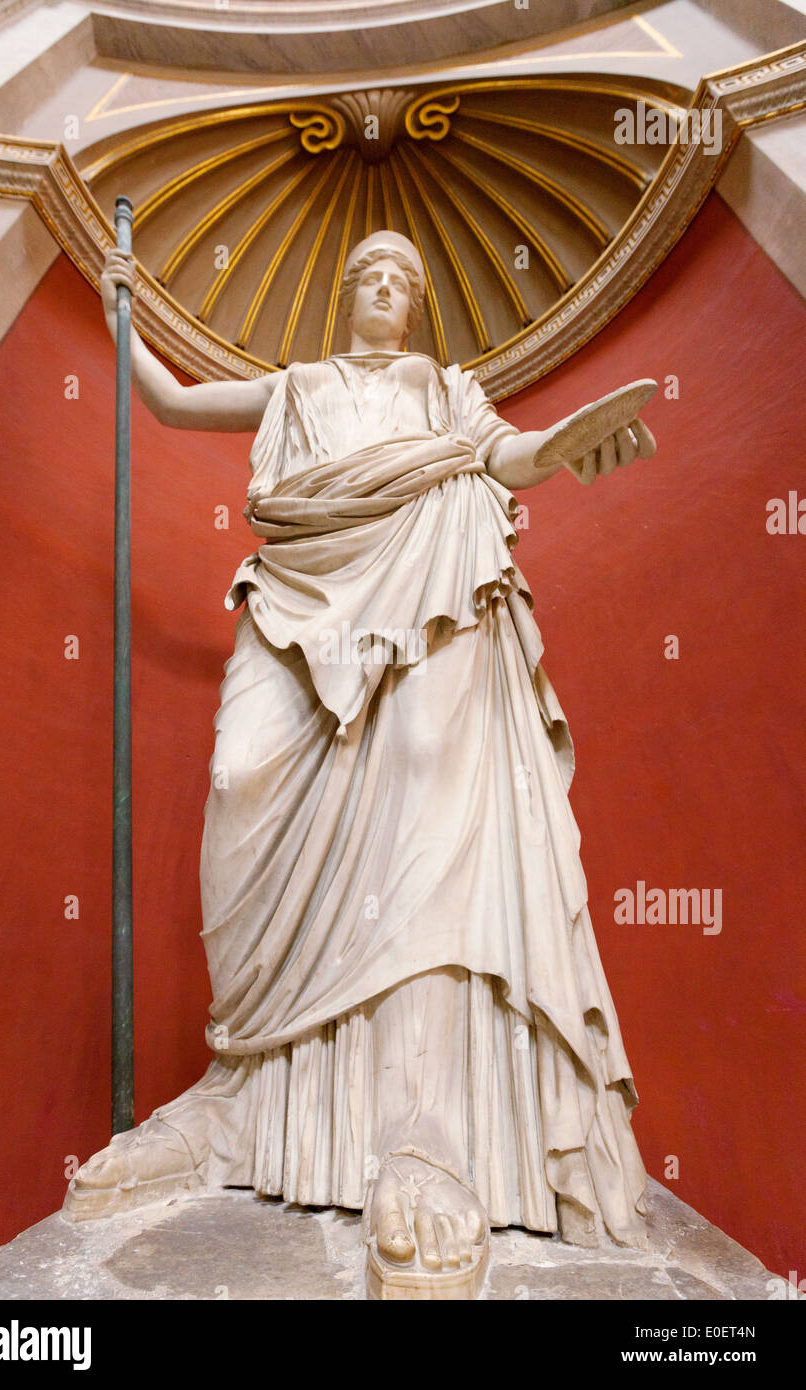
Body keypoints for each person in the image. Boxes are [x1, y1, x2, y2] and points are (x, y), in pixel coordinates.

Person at [65, 230, 655, 1294]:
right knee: (241, 775)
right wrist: (119, 311)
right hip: (300, 587)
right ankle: (241, 1086)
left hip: (428, 568)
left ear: (419, 305)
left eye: (401, 281)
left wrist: (563, 441)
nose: (384, 291)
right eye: (368, 278)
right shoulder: (297, 385)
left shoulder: (444, 389)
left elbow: (504, 454)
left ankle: (418, 1120)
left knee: (434, 789)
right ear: (343, 296)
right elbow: (169, 402)